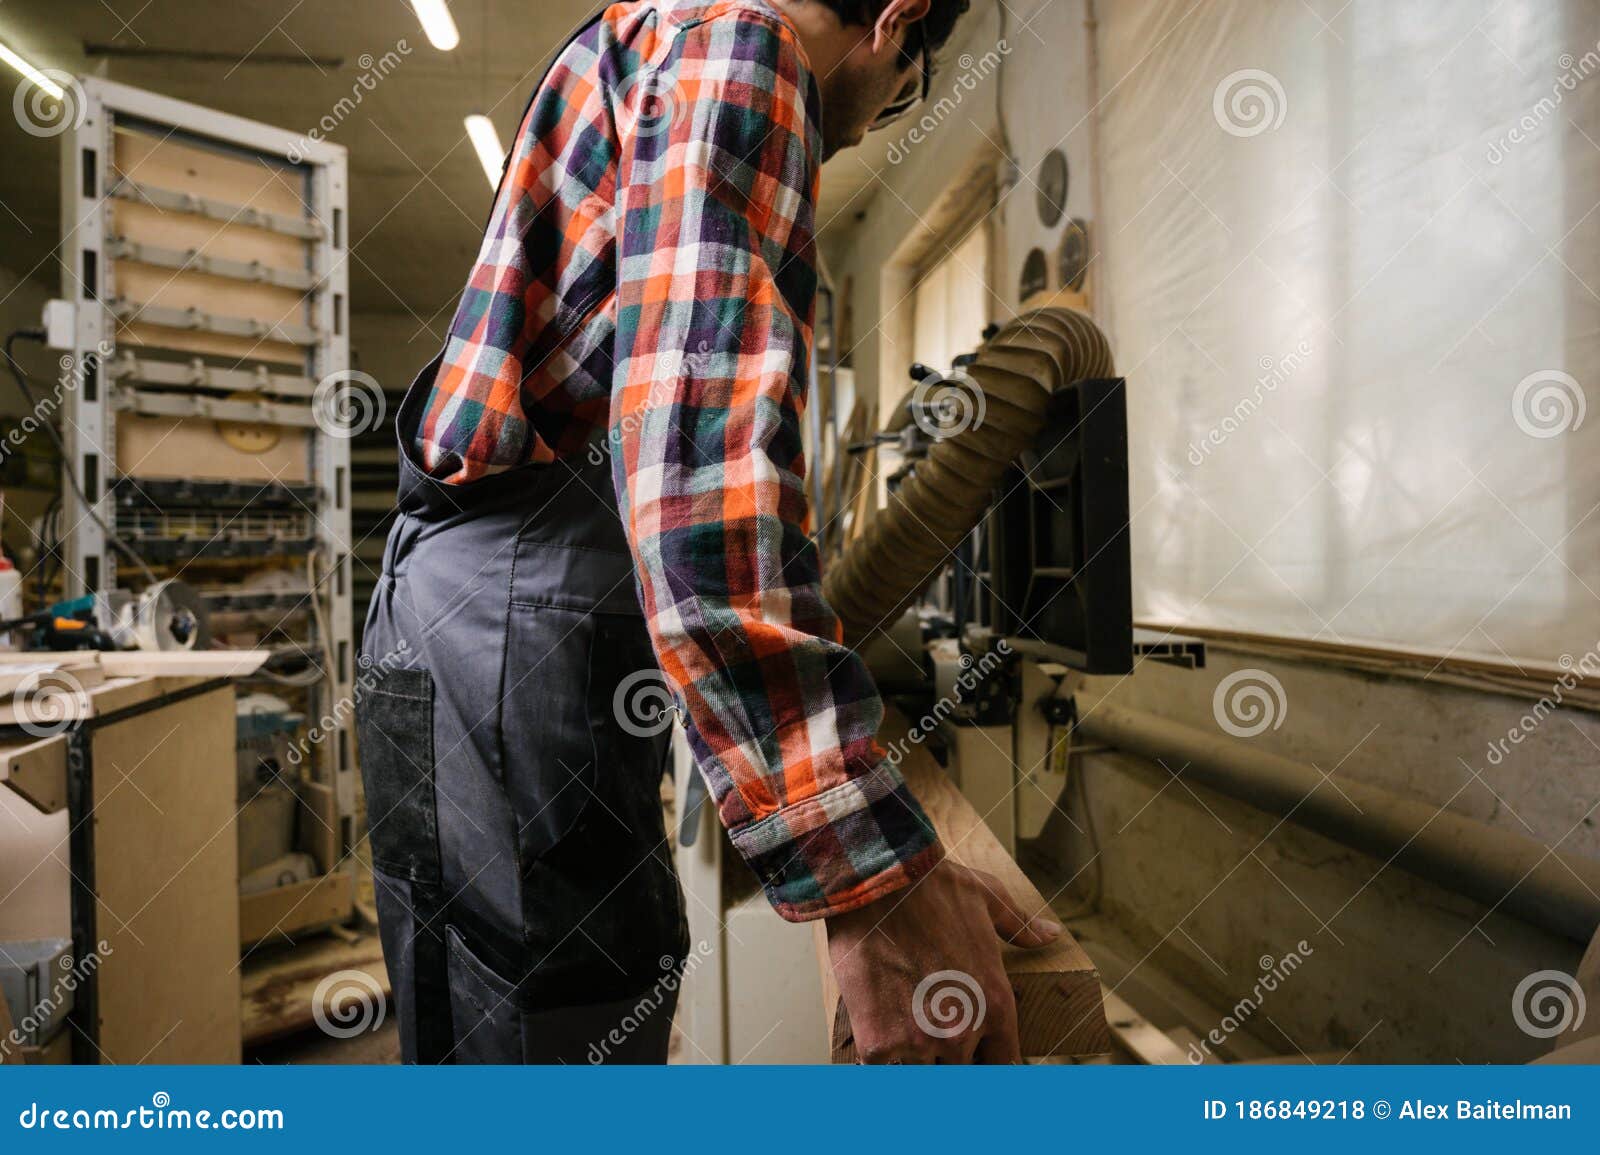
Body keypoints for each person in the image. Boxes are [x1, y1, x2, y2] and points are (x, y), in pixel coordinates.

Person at [356, 0, 1057, 1065]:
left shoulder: (652, 34)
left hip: (462, 603)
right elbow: (694, 465)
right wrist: (869, 879)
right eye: (902, 97)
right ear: (896, 20)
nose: (869, 125)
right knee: (566, 1030)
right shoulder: (744, 44)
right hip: (516, 617)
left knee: (491, 1019)